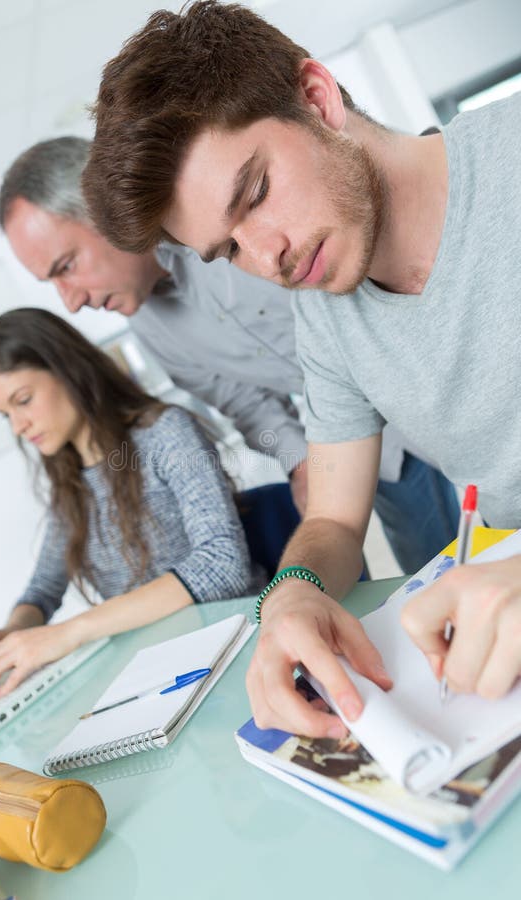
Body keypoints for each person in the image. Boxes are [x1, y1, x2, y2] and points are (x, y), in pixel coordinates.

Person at [82, 0, 521, 734]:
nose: (268, 258)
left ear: (317, 98)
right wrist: (292, 592)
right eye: (229, 250)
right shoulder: (326, 320)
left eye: (255, 193)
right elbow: (335, 519)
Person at [0, 137, 460, 574]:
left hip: (444, 386)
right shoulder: (150, 330)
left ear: (107, 208)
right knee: (437, 580)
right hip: (381, 454)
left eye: (66, 267)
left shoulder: (236, 220)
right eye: (51, 283)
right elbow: (248, 405)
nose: (71, 302)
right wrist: (299, 462)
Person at [0, 307, 260, 697]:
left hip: (237, 649)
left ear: (67, 370)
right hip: (163, 668)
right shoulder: (70, 481)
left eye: (24, 400)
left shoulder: (165, 433)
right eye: (5, 415)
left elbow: (221, 566)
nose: (18, 426)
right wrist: (13, 635)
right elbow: (43, 590)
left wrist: (72, 631)